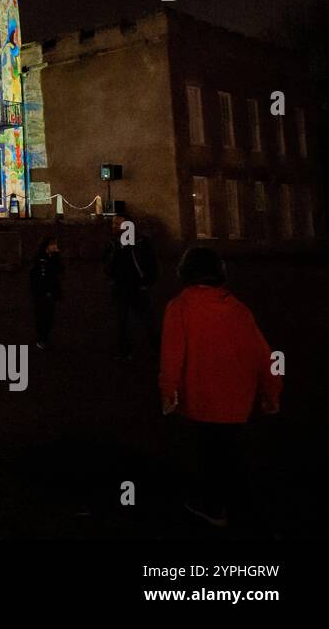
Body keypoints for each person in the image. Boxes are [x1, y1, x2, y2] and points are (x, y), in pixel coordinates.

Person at [159, 246, 282, 528]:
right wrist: (271, 391)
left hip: (202, 397)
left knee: (209, 455)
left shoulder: (179, 307)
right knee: (231, 451)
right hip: (238, 397)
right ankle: (241, 506)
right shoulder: (239, 309)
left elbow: (172, 355)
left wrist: (169, 391)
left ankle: (214, 507)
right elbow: (263, 354)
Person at [101, 211, 158, 360]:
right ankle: (124, 352)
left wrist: (147, 282)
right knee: (122, 321)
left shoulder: (141, 242)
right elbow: (107, 265)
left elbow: (151, 264)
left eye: (117, 223)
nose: (114, 226)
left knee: (147, 320)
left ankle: (159, 349)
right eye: (113, 223)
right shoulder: (114, 243)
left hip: (138, 287)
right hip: (120, 287)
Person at [28, 236, 63, 349]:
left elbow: (61, 270)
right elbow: (37, 277)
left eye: (56, 244)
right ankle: (41, 339)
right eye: (53, 244)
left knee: (49, 316)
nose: (55, 246)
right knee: (42, 316)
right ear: (46, 246)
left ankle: (45, 338)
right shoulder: (39, 259)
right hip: (42, 293)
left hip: (51, 291)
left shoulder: (53, 257)